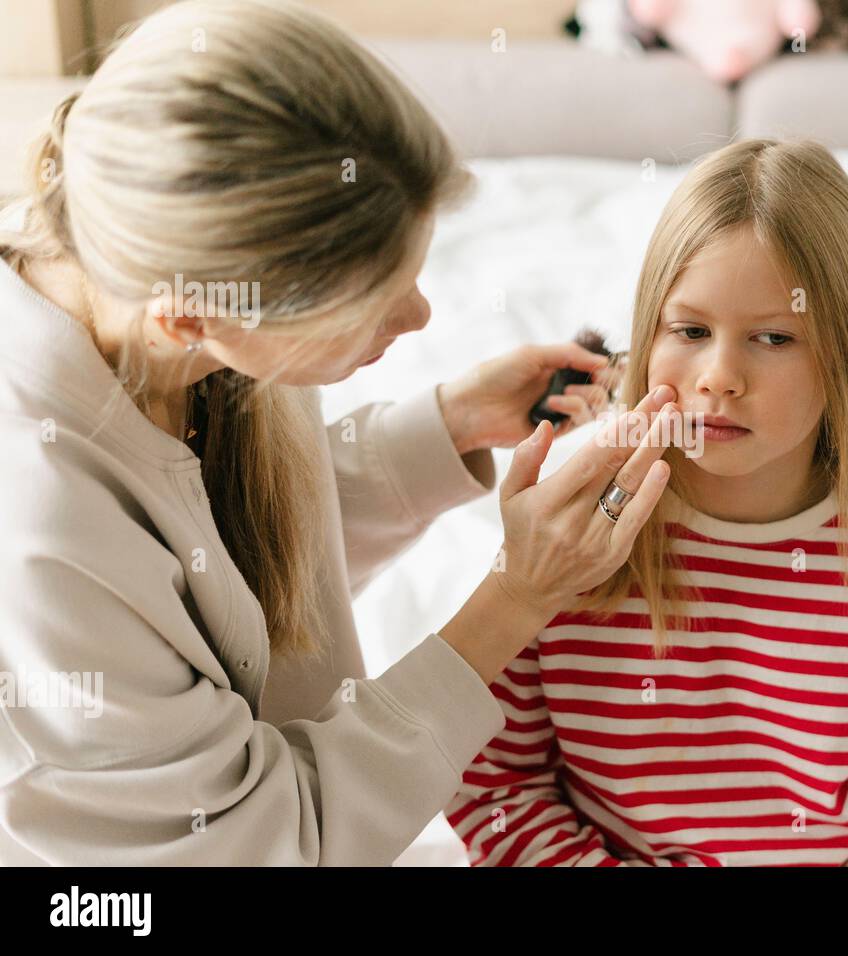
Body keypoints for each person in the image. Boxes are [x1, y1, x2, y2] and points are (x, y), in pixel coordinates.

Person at [0, 0, 677, 865]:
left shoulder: (152, 290)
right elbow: (257, 844)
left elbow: (221, 583)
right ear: (190, 322)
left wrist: (446, 426)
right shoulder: (39, 529)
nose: (422, 312)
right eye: (376, 302)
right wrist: (517, 597)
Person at [448, 139, 848, 866]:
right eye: (691, 331)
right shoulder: (570, 541)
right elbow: (497, 790)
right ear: (648, 335)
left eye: (774, 337)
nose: (720, 377)